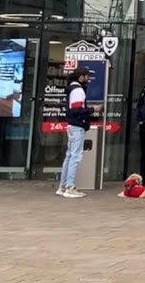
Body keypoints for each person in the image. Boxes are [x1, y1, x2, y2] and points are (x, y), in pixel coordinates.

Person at [56, 67, 101, 198]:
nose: (89, 78)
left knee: (69, 156)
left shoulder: (73, 88)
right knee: (75, 156)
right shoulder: (78, 90)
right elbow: (76, 110)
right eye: (87, 76)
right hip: (77, 126)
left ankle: (63, 186)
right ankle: (70, 187)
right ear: (81, 77)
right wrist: (93, 109)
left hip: (72, 125)